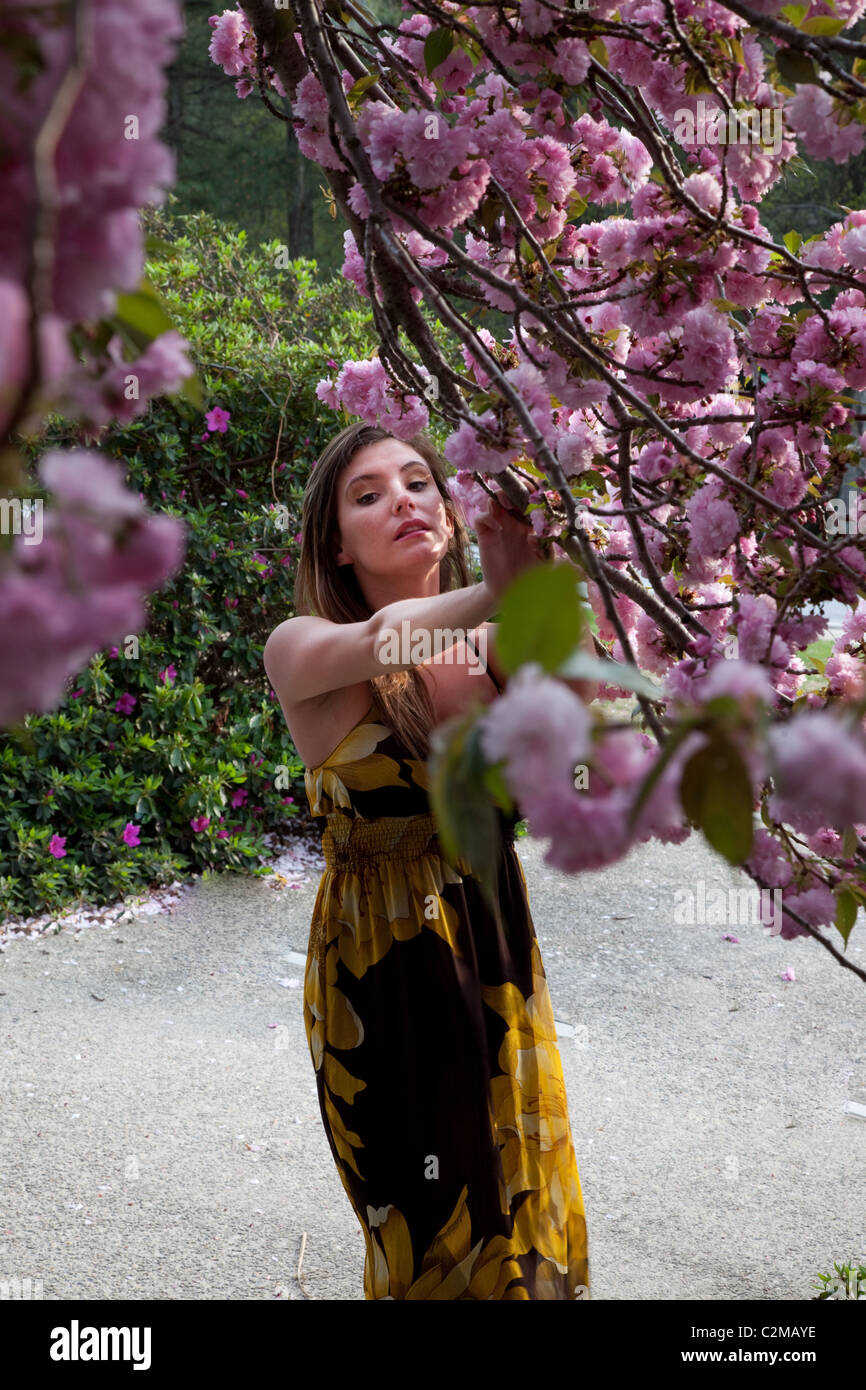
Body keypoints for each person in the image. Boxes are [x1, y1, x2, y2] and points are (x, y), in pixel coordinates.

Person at [264, 421, 596, 1300]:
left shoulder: (491, 644)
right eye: (368, 494)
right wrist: (493, 584)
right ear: (335, 543)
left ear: (452, 513)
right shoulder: (303, 648)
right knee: (429, 1226)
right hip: (384, 974)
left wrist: (535, 571)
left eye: (421, 482)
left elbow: (577, 730)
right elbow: (393, 637)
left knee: (524, 1210)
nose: (404, 500)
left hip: (495, 945)